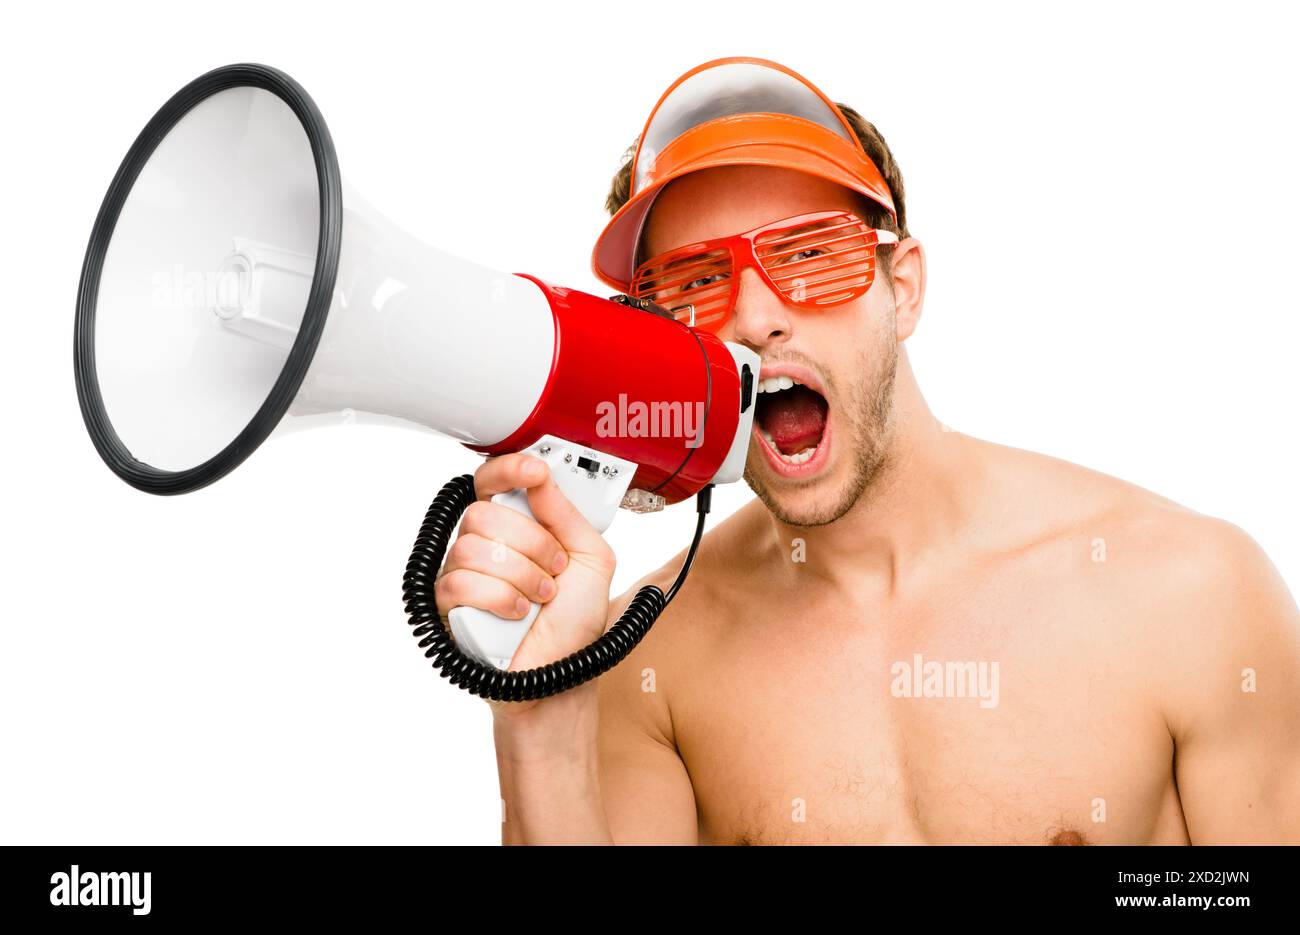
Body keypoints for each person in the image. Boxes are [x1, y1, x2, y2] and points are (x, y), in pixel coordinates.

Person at [434, 57, 1300, 844]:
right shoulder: (643, 658)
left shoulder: (1190, 591)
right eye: (696, 283)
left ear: (905, 287)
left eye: (810, 257)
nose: (754, 316)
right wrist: (537, 714)